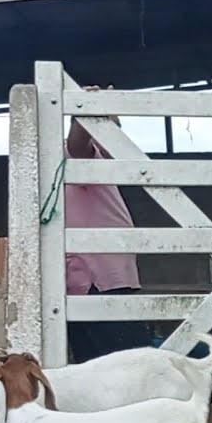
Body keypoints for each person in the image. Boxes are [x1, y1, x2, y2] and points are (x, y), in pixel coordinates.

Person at [63, 84, 154, 364]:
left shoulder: (91, 161)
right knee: (113, 358)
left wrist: (87, 108)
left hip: (99, 279)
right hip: (93, 278)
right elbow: (77, 142)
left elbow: (79, 143)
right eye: (107, 121)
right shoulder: (70, 159)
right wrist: (87, 108)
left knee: (120, 359)